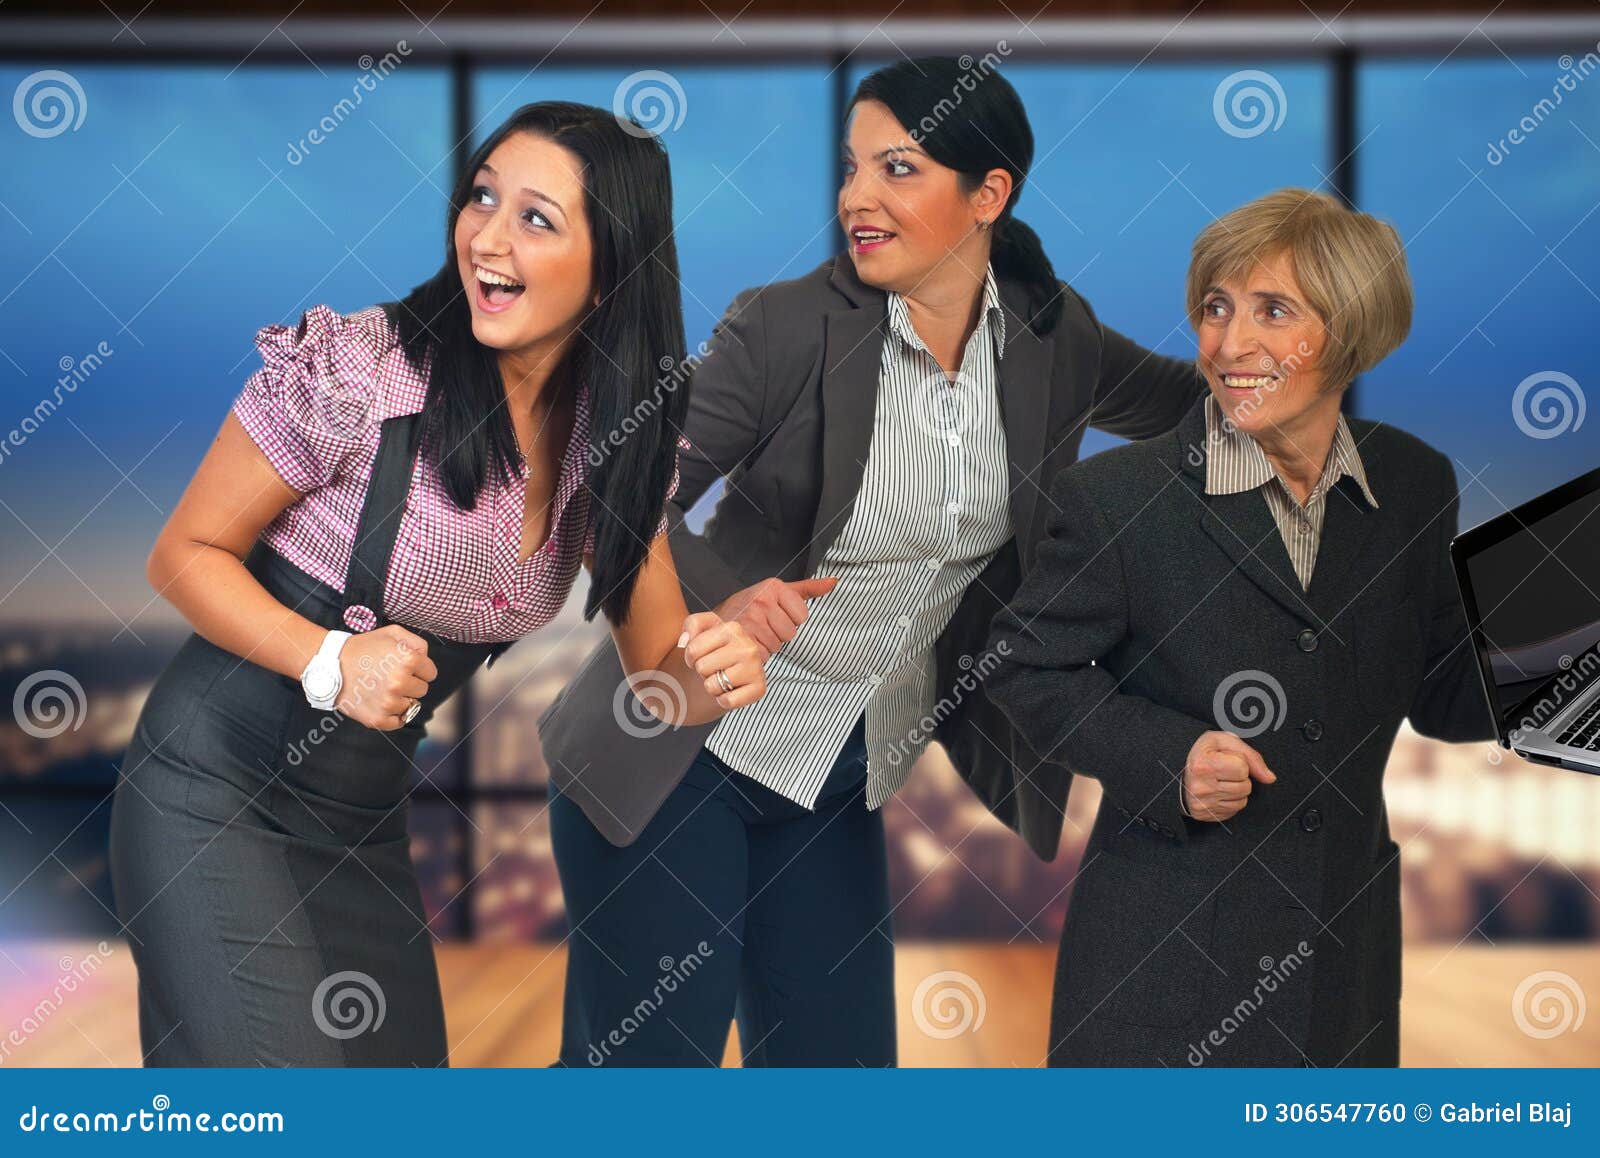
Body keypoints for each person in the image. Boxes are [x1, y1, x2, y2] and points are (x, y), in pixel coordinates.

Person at [538, 57, 1206, 1067]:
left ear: (988, 195)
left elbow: (1200, 407)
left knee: (840, 1075)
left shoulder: (1049, 337)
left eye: (897, 168)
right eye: (852, 168)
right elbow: (619, 494)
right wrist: (722, 600)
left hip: (832, 772)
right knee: (646, 1077)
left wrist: (1295, 354)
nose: (857, 196)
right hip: (677, 752)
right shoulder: (786, 326)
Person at [108, 101, 767, 1067]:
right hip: (211, 789)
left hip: (358, 820)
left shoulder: (611, 441)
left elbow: (659, 678)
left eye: (536, 218)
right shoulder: (363, 369)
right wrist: (332, 658)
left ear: (610, 268)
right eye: (482, 199)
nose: (487, 237)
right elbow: (184, 553)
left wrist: (722, 665)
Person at [985, 187, 1497, 1067]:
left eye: (1273, 311)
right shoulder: (1118, 501)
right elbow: (1023, 670)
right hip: (1162, 971)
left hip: (1343, 969)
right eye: (1215, 308)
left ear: (1350, 328)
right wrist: (1167, 758)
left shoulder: (1413, 483)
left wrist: (1561, 664)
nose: (1228, 344)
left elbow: (1445, 689)